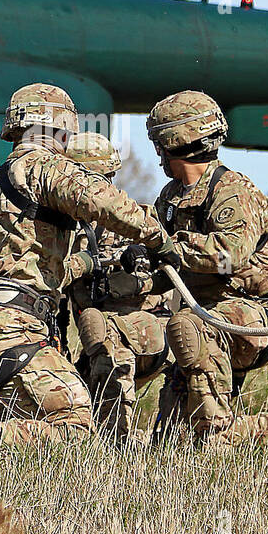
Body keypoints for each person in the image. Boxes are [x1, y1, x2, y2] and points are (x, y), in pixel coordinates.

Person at [0, 83, 175, 450]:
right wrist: (159, 239)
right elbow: (101, 200)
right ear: (58, 127)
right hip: (6, 325)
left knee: (25, 417)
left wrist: (82, 263)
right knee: (75, 426)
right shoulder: (43, 167)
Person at [149, 90, 268, 451]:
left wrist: (169, 248)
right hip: (208, 320)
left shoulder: (232, 191)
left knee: (188, 329)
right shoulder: (170, 199)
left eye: (158, 142)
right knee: (168, 444)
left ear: (173, 142)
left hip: (262, 315)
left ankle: (219, 439)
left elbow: (231, 254)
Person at [64, 131, 172, 441]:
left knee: (100, 326)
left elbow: (170, 271)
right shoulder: (63, 231)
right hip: (96, 350)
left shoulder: (137, 220)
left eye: (106, 178)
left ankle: (118, 441)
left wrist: (137, 265)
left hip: (147, 337)